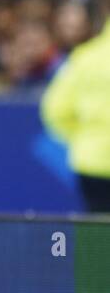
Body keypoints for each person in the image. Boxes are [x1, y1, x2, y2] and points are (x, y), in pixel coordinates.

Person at [41, 16, 110, 212]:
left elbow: (54, 109)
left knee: (97, 234)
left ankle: (95, 243)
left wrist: (82, 137)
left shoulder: (83, 58)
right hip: (92, 158)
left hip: (92, 160)